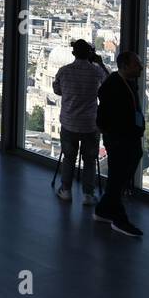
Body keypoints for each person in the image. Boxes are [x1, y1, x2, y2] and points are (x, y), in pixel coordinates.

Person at [96, 51, 145, 237]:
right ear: (125, 66)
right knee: (118, 178)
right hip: (120, 139)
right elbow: (105, 116)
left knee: (118, 178)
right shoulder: (114, 86)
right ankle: (119, 219)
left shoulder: (126, 83)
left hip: (125, 138)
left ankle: (103, 210)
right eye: (137, 64)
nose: (141, 67)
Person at [52, 39, 107, 206]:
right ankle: (88, 195)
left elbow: (57, 90)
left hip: (69, 123)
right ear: (90, 53)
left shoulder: (64, 71)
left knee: (69, 157)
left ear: (73, 53)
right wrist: (100, 63)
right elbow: (110, 84)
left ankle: (66, 190)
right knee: (89, 160)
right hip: (90, 124)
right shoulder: (97, 72)